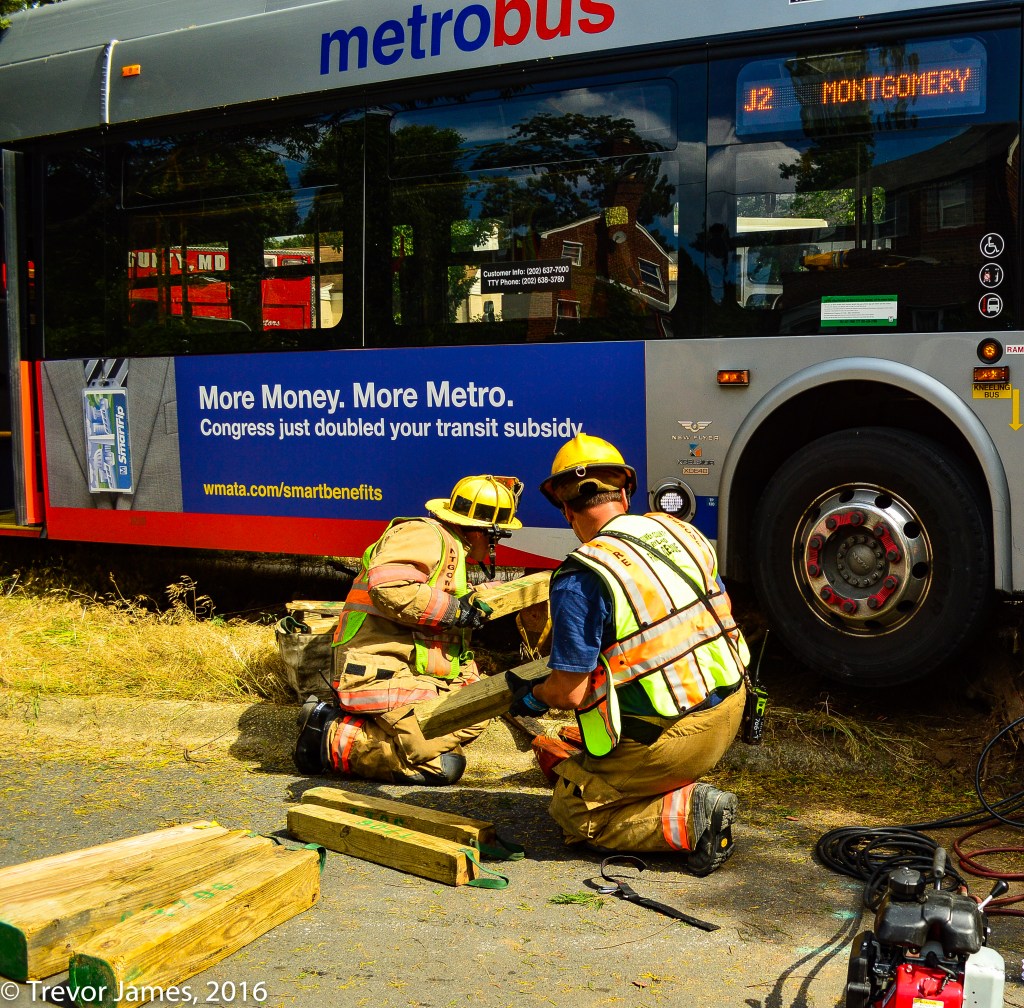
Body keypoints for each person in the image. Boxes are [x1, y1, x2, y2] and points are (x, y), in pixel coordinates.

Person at [508, 434, 748, 875]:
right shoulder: (681, 531)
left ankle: (695, 818)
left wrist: (533, 695)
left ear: (566, 510)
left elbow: (570, 692)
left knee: (574, 812)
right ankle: (650, 783)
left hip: (676, 739)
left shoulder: (582, 575)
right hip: (732, 708)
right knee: (584, 752)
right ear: (625, 492)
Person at [294, 474, 523, 785]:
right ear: (482, 532)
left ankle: (374, 736)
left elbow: (433, 598)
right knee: (442, 767)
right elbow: (389, 587)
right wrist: (456, 611)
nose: (498, 545)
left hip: (416, 672)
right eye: (499, 537)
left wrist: (478, 600)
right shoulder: (423, 535)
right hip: (381, 669)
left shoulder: (450, 548)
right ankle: (329, 734)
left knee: (477, 710)